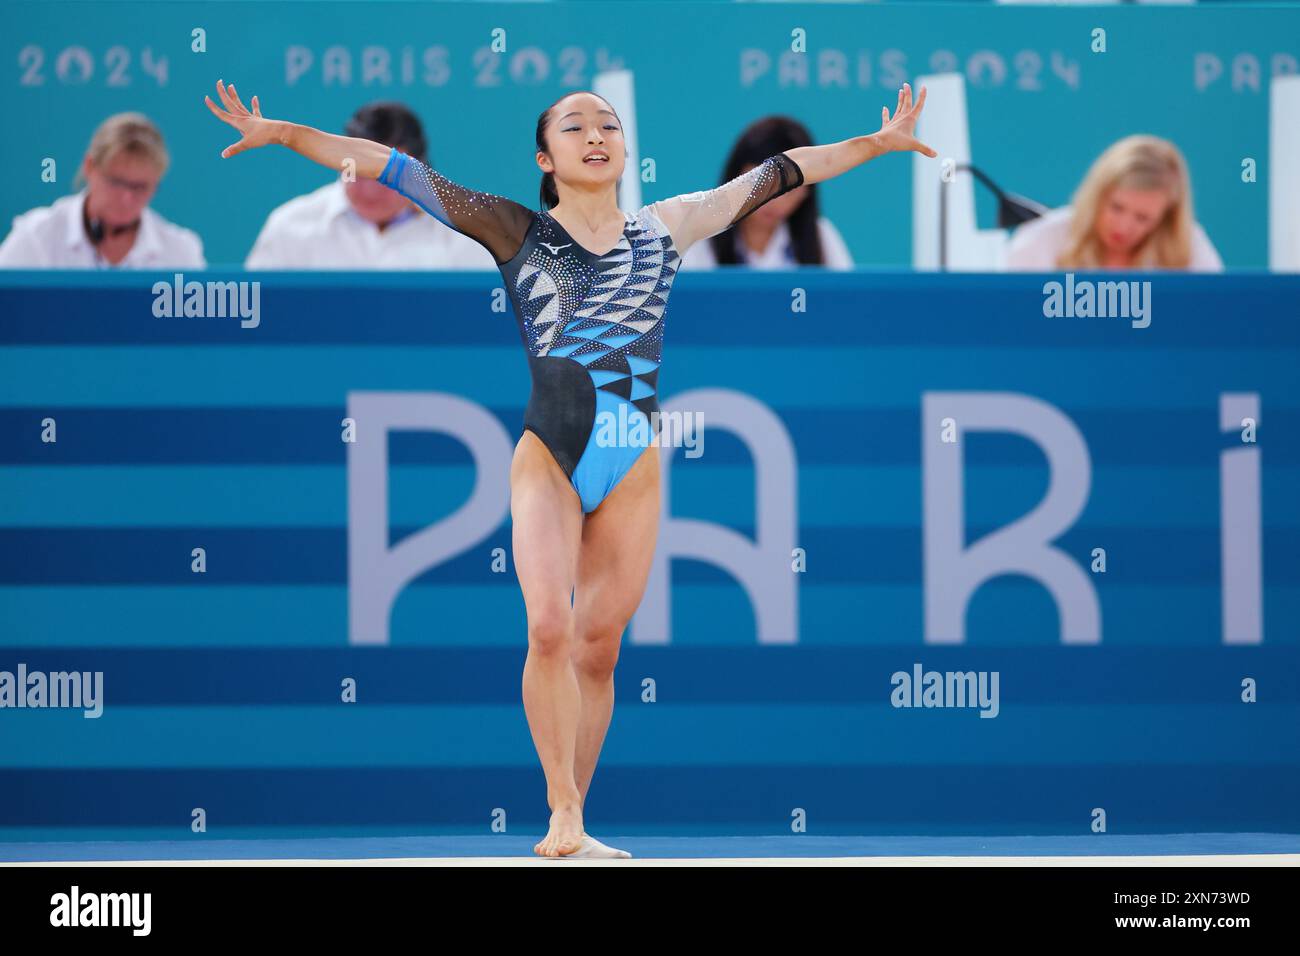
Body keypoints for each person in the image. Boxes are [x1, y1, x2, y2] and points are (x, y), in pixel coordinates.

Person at [205, 77, 935, 858]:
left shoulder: (668, 226)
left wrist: (876, 145)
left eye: (609, 126)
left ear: (624, 148)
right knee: (549, 625)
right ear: (544, 157)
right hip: (548, 453)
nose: (597, 136)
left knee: (599, 647)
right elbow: (389, 168)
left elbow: (781, 173)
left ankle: (577, 818)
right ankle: (561, 813)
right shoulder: (514, 229)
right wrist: (283, 134)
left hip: (633, 462)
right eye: (576, 127)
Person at [244, 102, 495, 270]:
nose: (370, 190)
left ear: (420, 169)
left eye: (386, 178)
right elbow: (259, 328)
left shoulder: (466, 235)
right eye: (359, 172)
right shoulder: (290, 228)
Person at [0, 112, 204, 269]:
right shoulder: (37, 237)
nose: (126, 197)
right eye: (116, 182)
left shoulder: (180, 252)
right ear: (90, 166)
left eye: (140, 187)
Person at [1005, 134, 1223, 271]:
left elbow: (1215, 318)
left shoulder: (1188, 245)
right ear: (1097, 194)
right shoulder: (1042, 239)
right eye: (1116, 208)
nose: (1123, 227)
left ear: (1166, 216)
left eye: (1143, 218)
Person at [678, 116, 853, 270]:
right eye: (760, 185)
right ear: (735, 179)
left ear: (806, 192)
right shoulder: (701, 238)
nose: (771, 200)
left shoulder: (822, 238)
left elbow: (846, 302)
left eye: (787, 190)